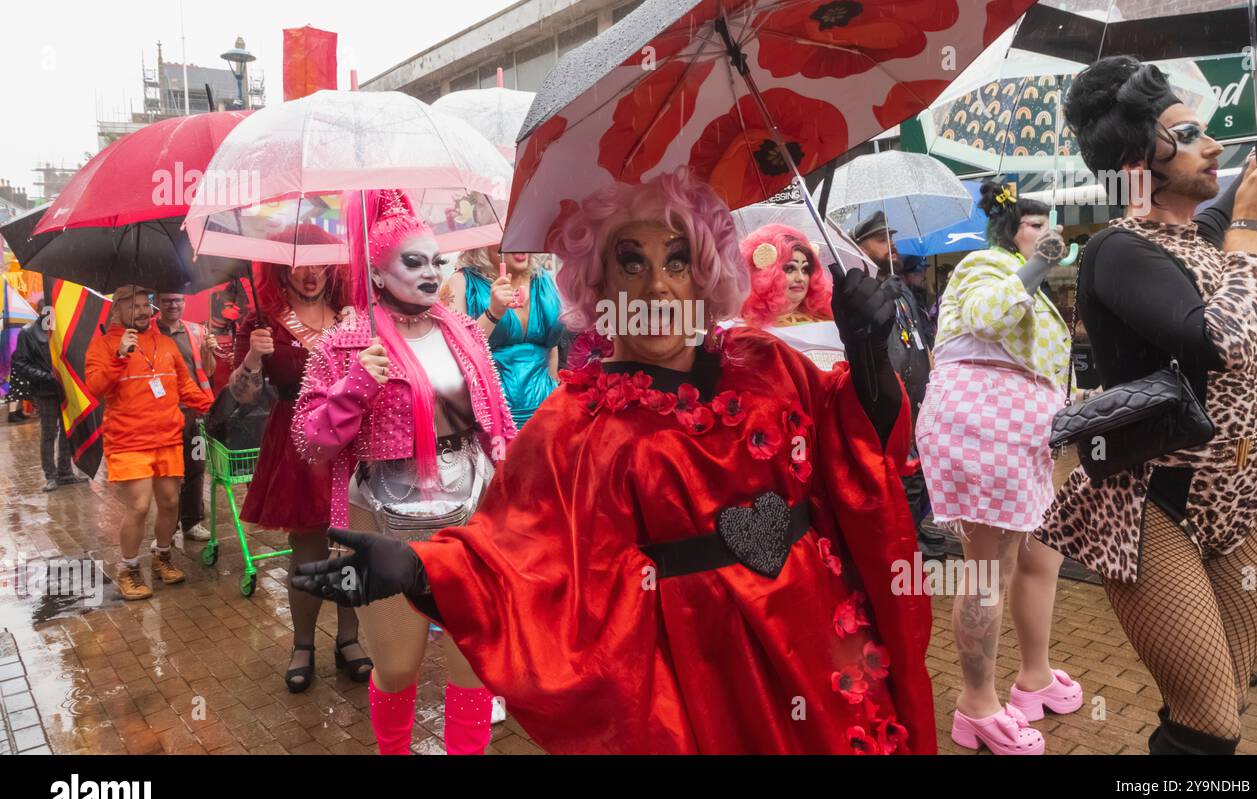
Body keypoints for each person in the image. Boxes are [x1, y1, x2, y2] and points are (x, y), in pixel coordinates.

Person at [293, 169, 936, 755]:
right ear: (600, 287)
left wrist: (874, 363)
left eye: (676, 260)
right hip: (690, 670)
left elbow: (857, 454)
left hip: (815, 639)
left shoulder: (768, 363)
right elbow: (516, 549)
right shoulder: (575, 421)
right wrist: (415, 567)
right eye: (631, 264)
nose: (656, 283)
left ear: (704, 274)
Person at [1040, 53, 1257, 754]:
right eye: (1186, 135)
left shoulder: (1206, 229)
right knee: (1206, 720)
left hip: (1252, 489)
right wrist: (1252, 232)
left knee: (1235, 697)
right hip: (1157, 502)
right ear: (1133, 157)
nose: (1213, 145)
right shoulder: (1117, 252)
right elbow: (1225, 345)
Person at [292, 189, 517, 755]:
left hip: (471, 517)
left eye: (435, 261)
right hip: (385, 519)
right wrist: (355, 385)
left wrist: (518, 493)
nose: (429, 273)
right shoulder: (345, 343)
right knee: (396, 667)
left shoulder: (463, 330)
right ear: (377, 270)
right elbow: (310, 442)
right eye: (412, 262)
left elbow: (498, 420)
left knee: (474, 663)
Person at [914, 181, 1079, 754]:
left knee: (1031, 555)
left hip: (1019, 432)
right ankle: (977, 704)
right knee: (990, 566)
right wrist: (1043, 260)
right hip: (988, 429)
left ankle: (1031, 678)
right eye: (1033, 223)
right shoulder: (987, 264)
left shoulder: (1013, 270)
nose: (1047, 231)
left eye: (1048, 222)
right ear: (1009, 229)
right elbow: (989, 317)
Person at [228, 230, 371, 693]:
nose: (310, 274)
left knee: (353, 548)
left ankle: (349, 639)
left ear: (332, 267)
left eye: (319, 263)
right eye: (299, 264)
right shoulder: (262, 320)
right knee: (308, 552)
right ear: (280, 269)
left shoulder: (354, 317)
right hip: (298, 445)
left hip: (352, 442)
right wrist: (253, 355)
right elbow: (241, 396)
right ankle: (304, 644)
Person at [85, 285, 213, 601]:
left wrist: (213, 404)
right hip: (128, 441)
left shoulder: (166, 343)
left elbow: (185, 386)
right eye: (135, 306)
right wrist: (118, 356)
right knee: (140, 506)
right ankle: (128, 568)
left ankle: (163, 556)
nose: (143, 311)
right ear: (117, 309)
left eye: (146, 305)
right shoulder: (103, 345)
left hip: (168, 439)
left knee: (170, 502)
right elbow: (96, 386)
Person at [853, 210, 939, 558]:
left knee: (919, 469)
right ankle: (903, 541)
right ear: (859, 246)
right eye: (880, 239)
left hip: (919, 392)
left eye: (891, 237)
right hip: (891, 397)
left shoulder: (901, 286)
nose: (891, 245)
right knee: (900, 472)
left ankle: (915, 528)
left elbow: (919, 333)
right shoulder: (860, 288)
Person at [440, 246, 561, 427]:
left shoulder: (542, 278)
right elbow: (455, 354)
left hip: (548, 412)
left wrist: (555, 395)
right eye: (507, 236)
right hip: (494, 418)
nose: (518, 242)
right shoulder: (459, 283)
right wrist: (493, 313)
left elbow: (551, 346)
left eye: (521, 232)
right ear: (483, 244)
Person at [153, 293, 216, 542]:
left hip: (194, 412)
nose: (173, 305)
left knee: (196, 466)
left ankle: (191, 522)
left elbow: (208, 371)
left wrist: (209, 351)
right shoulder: (148, 332)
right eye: (167, 300)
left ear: (184, 302)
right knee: (166, 472)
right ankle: (168, 525)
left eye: (178, 300)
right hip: (162, 413)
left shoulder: (197, 331)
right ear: (158, 302)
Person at [10, 316, 81, 491]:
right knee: (49, 432)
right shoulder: (28, 333)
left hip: (65, 388)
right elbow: (20, 363)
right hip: (45, 390)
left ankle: (65, 472)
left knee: (67, 431)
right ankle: (51, 475)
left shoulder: (62, 329)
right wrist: (46, 377)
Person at [738, 223, 833, 327]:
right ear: (764, 275)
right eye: (790, 269)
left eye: (805, 269)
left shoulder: (827, 323)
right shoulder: (740, 329)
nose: (800, 278)